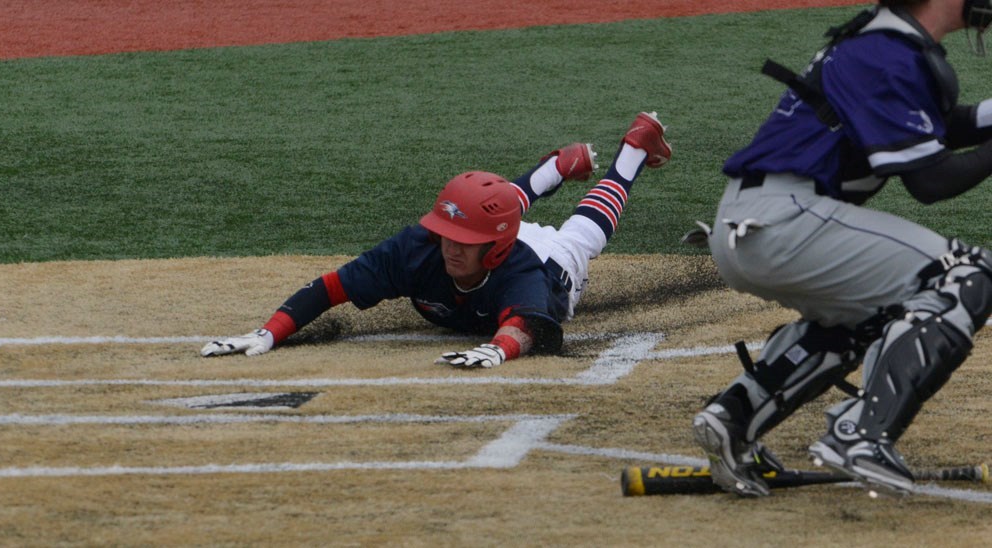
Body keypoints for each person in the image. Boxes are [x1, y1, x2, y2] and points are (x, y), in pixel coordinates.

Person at [692, 0, 992, 497]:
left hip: (760, 220)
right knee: (966, 273)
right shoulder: (885, 53)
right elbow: (931, 181)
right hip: (784, 219)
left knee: (869, 315)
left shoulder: (883, 43)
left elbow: (937, 127)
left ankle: (735, 415)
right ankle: (862, 434)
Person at [202, 111, 671, 367]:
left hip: (551, 263)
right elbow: (331, 288)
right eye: (445, 233)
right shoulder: (420, 246)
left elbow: (525, 327)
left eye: (461, 240)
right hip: (501, 237)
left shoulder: (524, 271)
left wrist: (499, 348)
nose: (449, 245)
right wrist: (271, 330)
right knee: (485, 209)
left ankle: (633, 147)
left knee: (582, 236)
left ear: (498, 250)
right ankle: (554, 168)